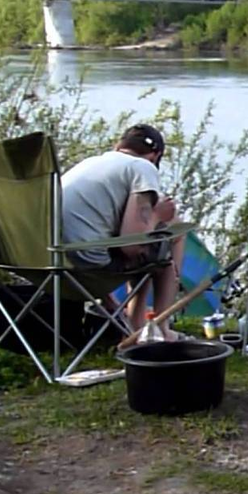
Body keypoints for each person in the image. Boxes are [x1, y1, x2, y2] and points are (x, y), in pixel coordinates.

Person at [61, 124, 186, 342]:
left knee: (148, 250)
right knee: (164, 246)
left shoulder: (90, 163)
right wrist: (157, 215)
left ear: (118, 145)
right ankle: (162, 329)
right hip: (87, 267)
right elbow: (132, 246)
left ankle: (134, 323)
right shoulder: (143, 168)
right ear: (155, 155)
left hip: (49, 265)